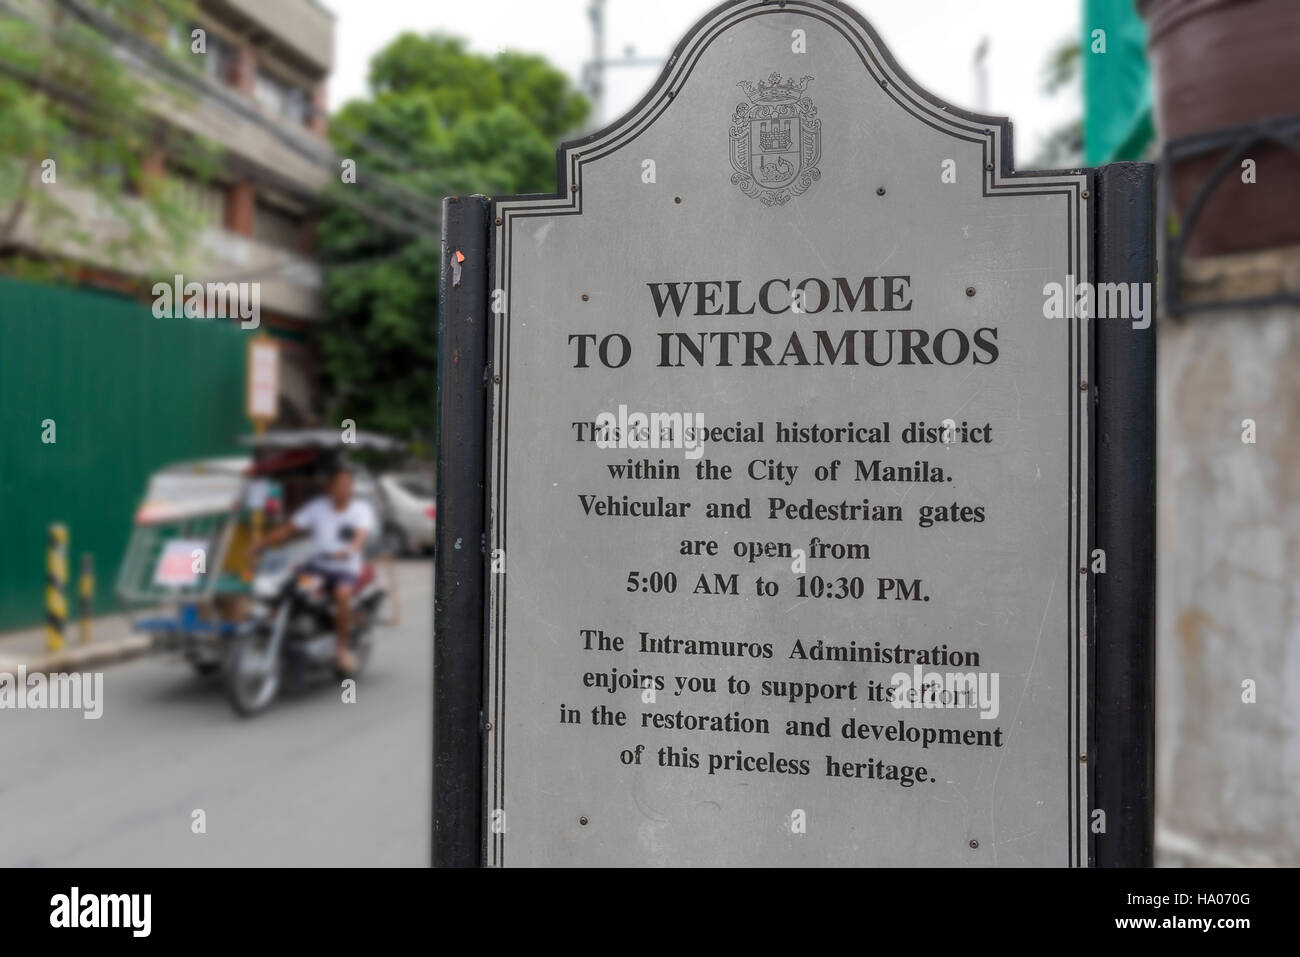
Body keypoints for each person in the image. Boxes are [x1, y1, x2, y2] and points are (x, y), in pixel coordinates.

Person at [252, 465, 376, 674]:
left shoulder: (361, 510)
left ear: (352, 488)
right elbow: (289, 529)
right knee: (293, 592)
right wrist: (261, 544)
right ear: (329, 487)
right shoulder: (317, 507)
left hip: (344, 569)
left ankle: (341, 649)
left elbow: (361, 535)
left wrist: (351, 549)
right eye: (338, 484)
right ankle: (285, 638)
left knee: (342, 593)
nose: (342, 489)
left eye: (347, 485)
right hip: (318, 568)